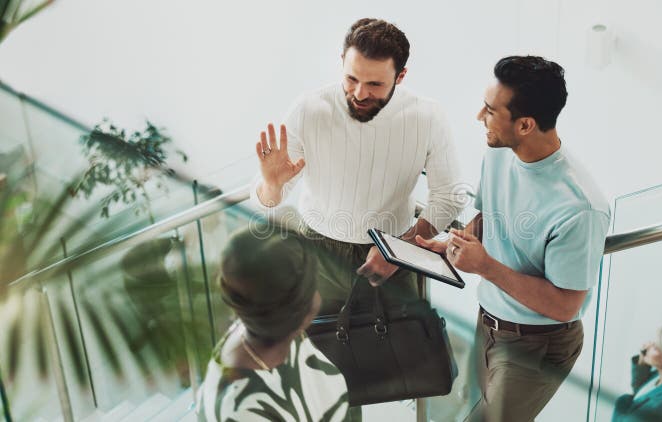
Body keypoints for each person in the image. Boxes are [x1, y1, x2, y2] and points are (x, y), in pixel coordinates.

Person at [417, 55, 610, 421]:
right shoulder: (500, 153)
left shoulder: (579, 208)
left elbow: (566, 305)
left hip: (537, 344)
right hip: (488, 320)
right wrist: (455, 244)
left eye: (490, 111)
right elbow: (489, 215)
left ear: (524, 125)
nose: (479, 118)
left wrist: (486, 267)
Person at [249, 18, 465, 315]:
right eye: (352, 79)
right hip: (316, 251)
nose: (360, 93)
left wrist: (401, 249)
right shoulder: (308, 109)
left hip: (394, 252)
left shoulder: (427, 117)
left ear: (400, 76)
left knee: (400, 350)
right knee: (324, 344)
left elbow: (449, 196)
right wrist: (272, 185)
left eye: (375, 84)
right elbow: (269, 201)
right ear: (341, 62)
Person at [196, 228, 351, 421]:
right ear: (300, 310)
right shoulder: (246, 412)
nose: (318, 294)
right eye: (313, 284)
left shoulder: (273, 329)